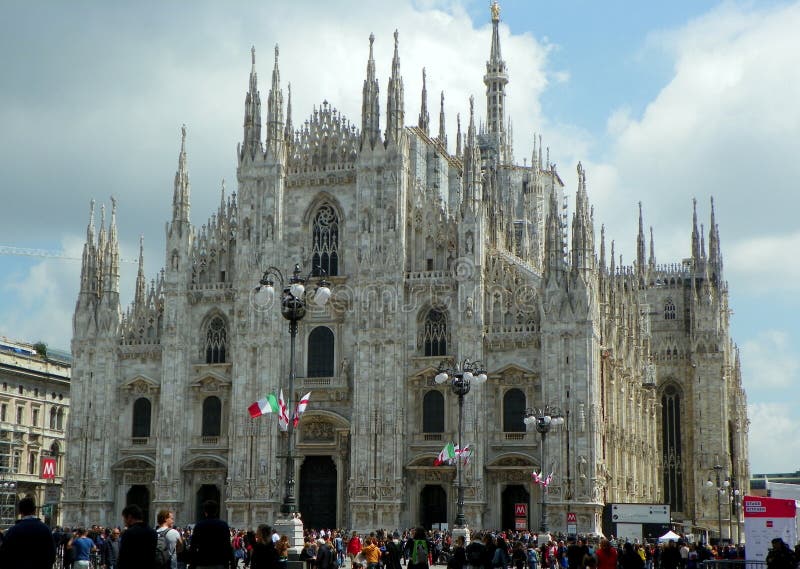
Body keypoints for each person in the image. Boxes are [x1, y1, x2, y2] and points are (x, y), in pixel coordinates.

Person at [0, 496, 57, 569]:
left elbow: (4, 555)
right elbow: (52, 555)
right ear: (35, 510)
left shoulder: (13, 530)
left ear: (20, 511)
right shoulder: (46, 529)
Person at [189, 500, 235, 569]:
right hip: (219, 563)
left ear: (205, 512)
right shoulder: (223, 525)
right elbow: (227, 546)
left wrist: (192, 565)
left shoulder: (199, 525)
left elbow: (193, 547)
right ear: (216, 511)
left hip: (202, 563)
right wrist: (232, 564)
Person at [118, 504, 157, 569]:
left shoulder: (128, 533)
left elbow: (123, 557)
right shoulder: (153, 532)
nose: (124, 521)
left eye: (125, 518)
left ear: (129, 517)